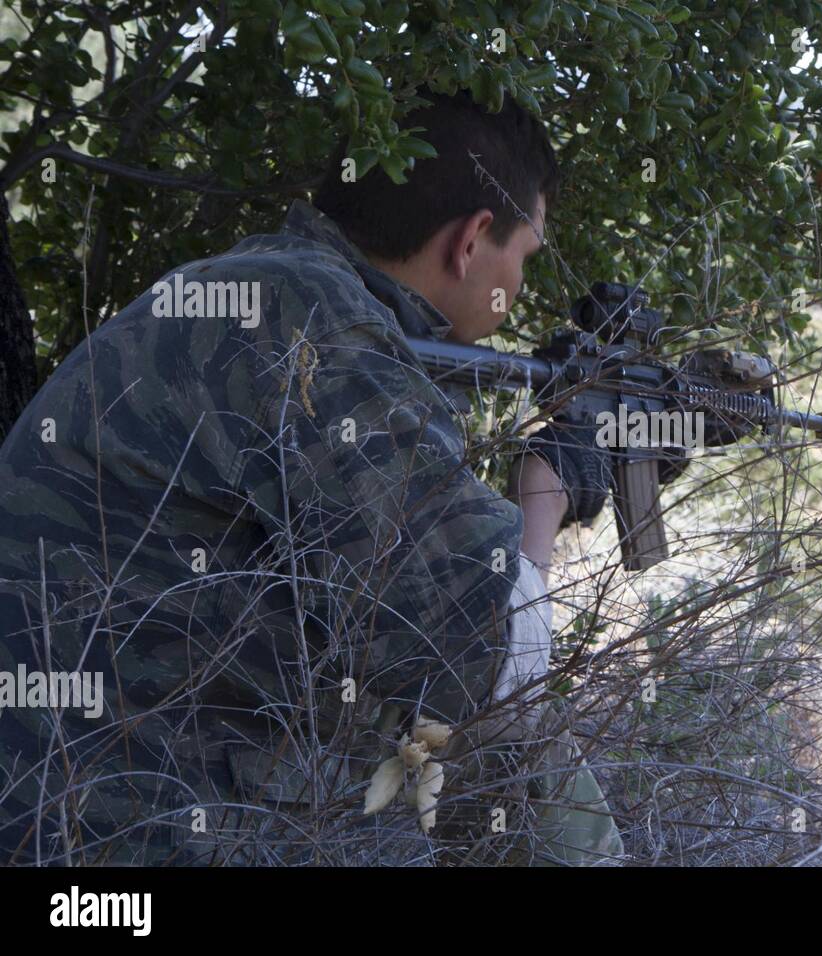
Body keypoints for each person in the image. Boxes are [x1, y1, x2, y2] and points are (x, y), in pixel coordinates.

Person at [0, 88, 624, 865]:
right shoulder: (320, 324)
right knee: (532, 777)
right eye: (524, 259)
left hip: (64, 786)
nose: (519, 287)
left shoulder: (258, 285)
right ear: (472, 241)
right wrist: (548, 491)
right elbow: (490, 649)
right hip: (115, 829)